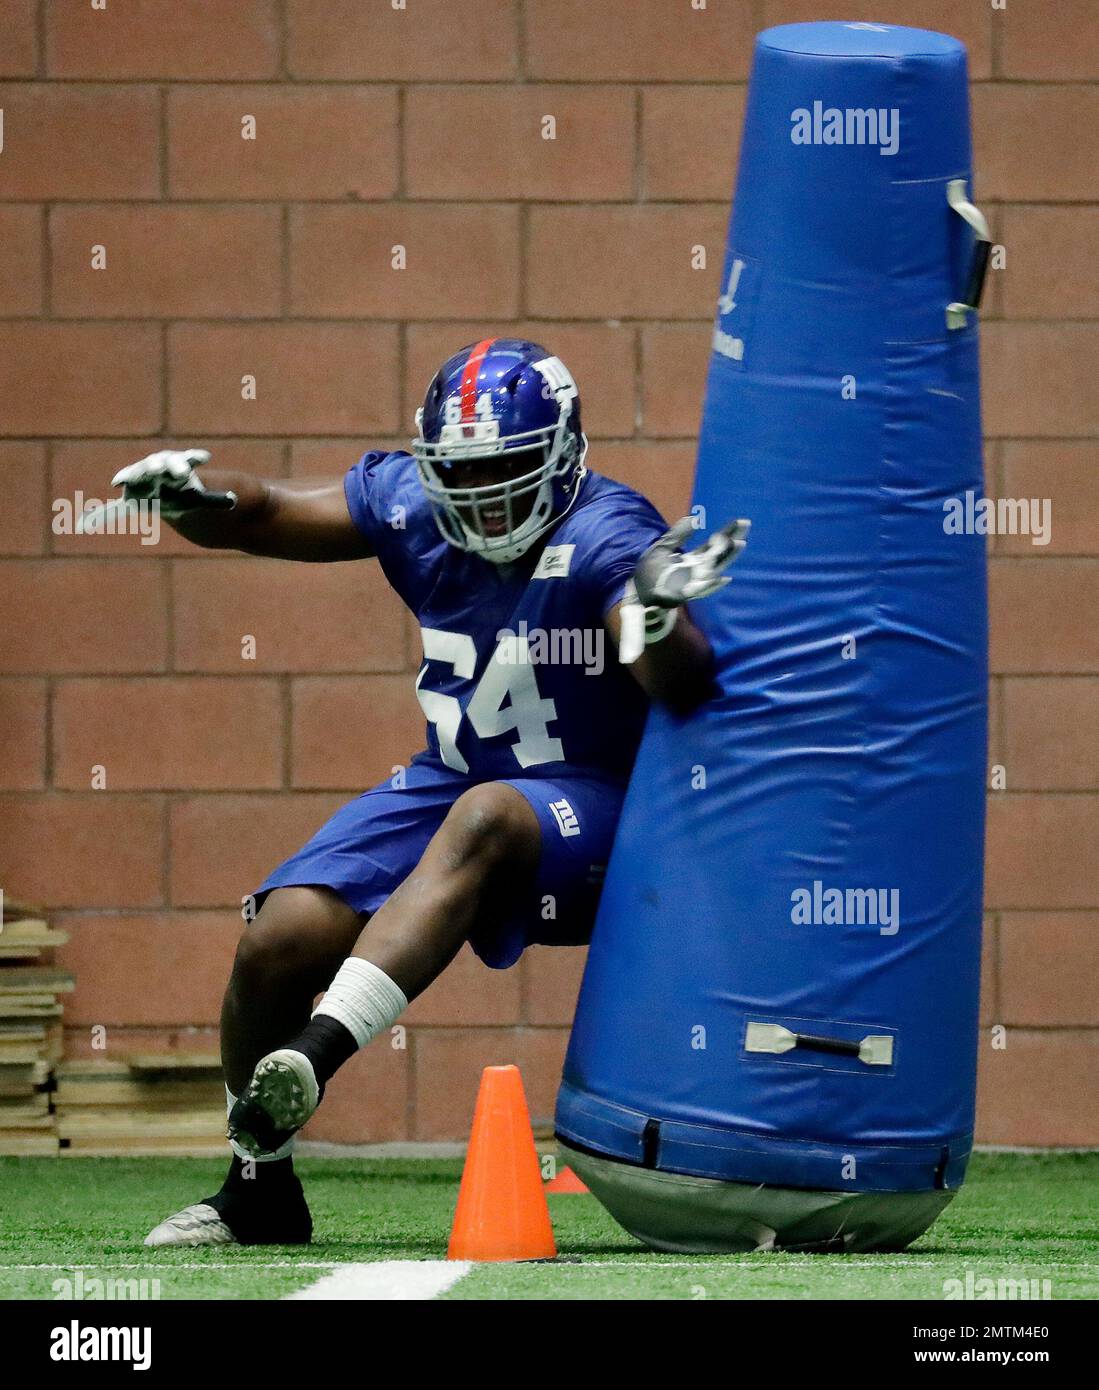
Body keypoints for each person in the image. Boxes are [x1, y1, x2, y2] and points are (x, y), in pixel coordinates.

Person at [115, 338, 746, 1246]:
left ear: (565, 456)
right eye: (464, 472)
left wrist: (651, 617)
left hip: (604, 807)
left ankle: (314, 1057)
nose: (486, 496)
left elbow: (681, 682)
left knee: (484, 816)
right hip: (457, 776)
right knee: (280, 935)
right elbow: (264, 513)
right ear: (428, 464)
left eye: (507, 469)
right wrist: (193, 503)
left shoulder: (606, 530)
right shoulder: (411, 501)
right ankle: (258, 1187)